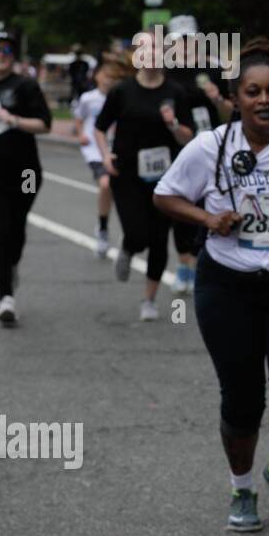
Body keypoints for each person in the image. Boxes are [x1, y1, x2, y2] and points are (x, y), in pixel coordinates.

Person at [154, 38, 269, 532]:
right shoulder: (210, 147)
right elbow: (165, 194)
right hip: (227, 287)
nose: (263, 100)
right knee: (243, 399)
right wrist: (208, 218)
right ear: (236, 98)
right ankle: (243, 489)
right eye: (252, 91)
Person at [93, 31, 195, 321]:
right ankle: (128, 247)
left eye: (157, 50)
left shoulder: (175, 92)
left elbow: (188, 137)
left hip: (165, 177)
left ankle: (148, 300)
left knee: (160, 239)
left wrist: (173, 124)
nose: (151, 55)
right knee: (138, 233)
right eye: (145, 50)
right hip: (126, 174)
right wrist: (104, 155)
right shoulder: (122, 91)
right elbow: (100, 127)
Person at [0, 30, 52, 326]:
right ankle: (5, 297)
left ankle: (11, 265)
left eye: (7, 51)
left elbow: (45, 125)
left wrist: (15, 120)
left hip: (26, 173)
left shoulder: (25, 86)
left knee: (17, 229)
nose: (0, 55)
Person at [166, 15, 229, 295]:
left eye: (191, 39)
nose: (187, 45)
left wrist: (216, 98)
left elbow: (232, 112)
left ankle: (206, 262)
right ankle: (183, 266)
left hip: (215, 150)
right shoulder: (167, 73)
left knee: (212, 205)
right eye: (180, 41)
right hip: (178, 149)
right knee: (182, 206)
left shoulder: (214, 70)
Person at [72, 54, 131, 258]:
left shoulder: (123, 97)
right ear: (97, 77)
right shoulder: (89, 98)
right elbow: (79, 118)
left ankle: (126, 231)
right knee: (105, 184)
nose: (109, 81)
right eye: (106, 76)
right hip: (95, 150)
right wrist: (80, 134)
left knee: (123, 191)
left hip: (119, 149)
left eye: (114, 78)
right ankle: (104, 229)